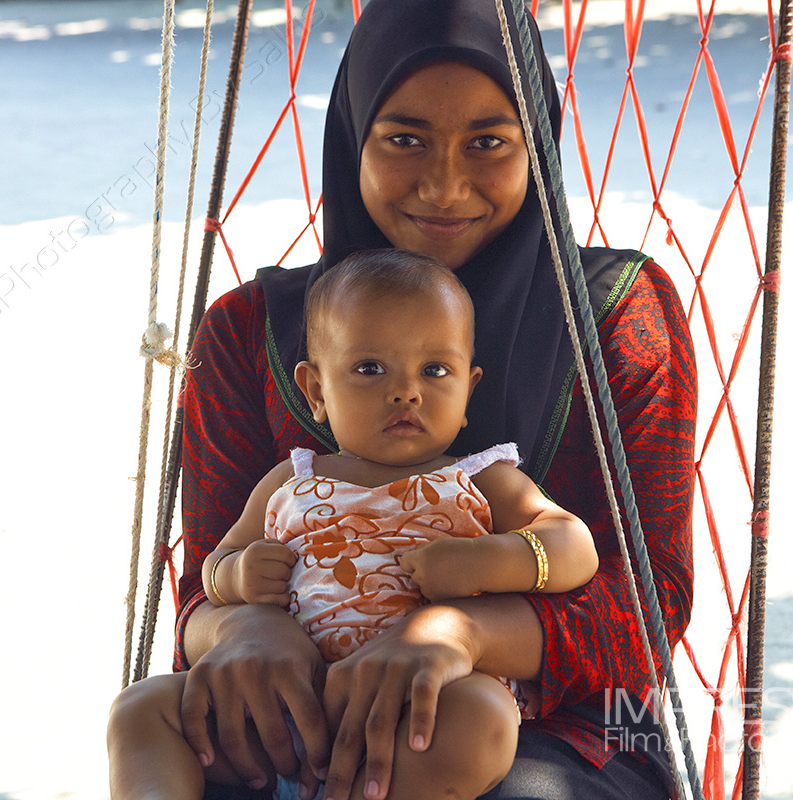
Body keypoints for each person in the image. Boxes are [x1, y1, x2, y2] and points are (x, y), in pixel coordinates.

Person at [107, 1, 697, 799]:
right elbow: (204, 588)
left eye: (488, 142)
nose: (445, 187)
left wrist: (458, 634)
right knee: (152, 723)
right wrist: (244, 624)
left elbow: (650, 609)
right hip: (289, 706)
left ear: (538, 145)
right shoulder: (250, 331)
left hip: (558, 721)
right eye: (404, 140)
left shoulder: (618, 314)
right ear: (354, 138)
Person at [110, 248, 600, 800]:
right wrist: (240, 576)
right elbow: (213, 567)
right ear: (316, 391)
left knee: (482, 717)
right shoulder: (293, 478)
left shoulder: (481, 477)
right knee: (140, 708)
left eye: (435, 370)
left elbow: (573, 544)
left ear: (469, 389)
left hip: (418, 709)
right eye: (370, 368)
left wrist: (488, 561)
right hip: (284, 705)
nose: (406, 391)